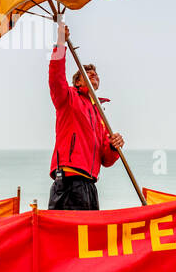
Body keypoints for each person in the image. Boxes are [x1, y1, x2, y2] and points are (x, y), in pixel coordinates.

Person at [47, 23, 125, 210]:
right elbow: (56, 76)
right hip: (69, 179)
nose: (94, 76)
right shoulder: (68, 97)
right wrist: (60, 44)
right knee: (67, 236)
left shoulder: (99, 114)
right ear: (78, 81)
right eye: (88, 74)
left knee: (89, 236)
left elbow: (105, 159)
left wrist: (114, 147)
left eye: (96, 75)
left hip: (90, 184)